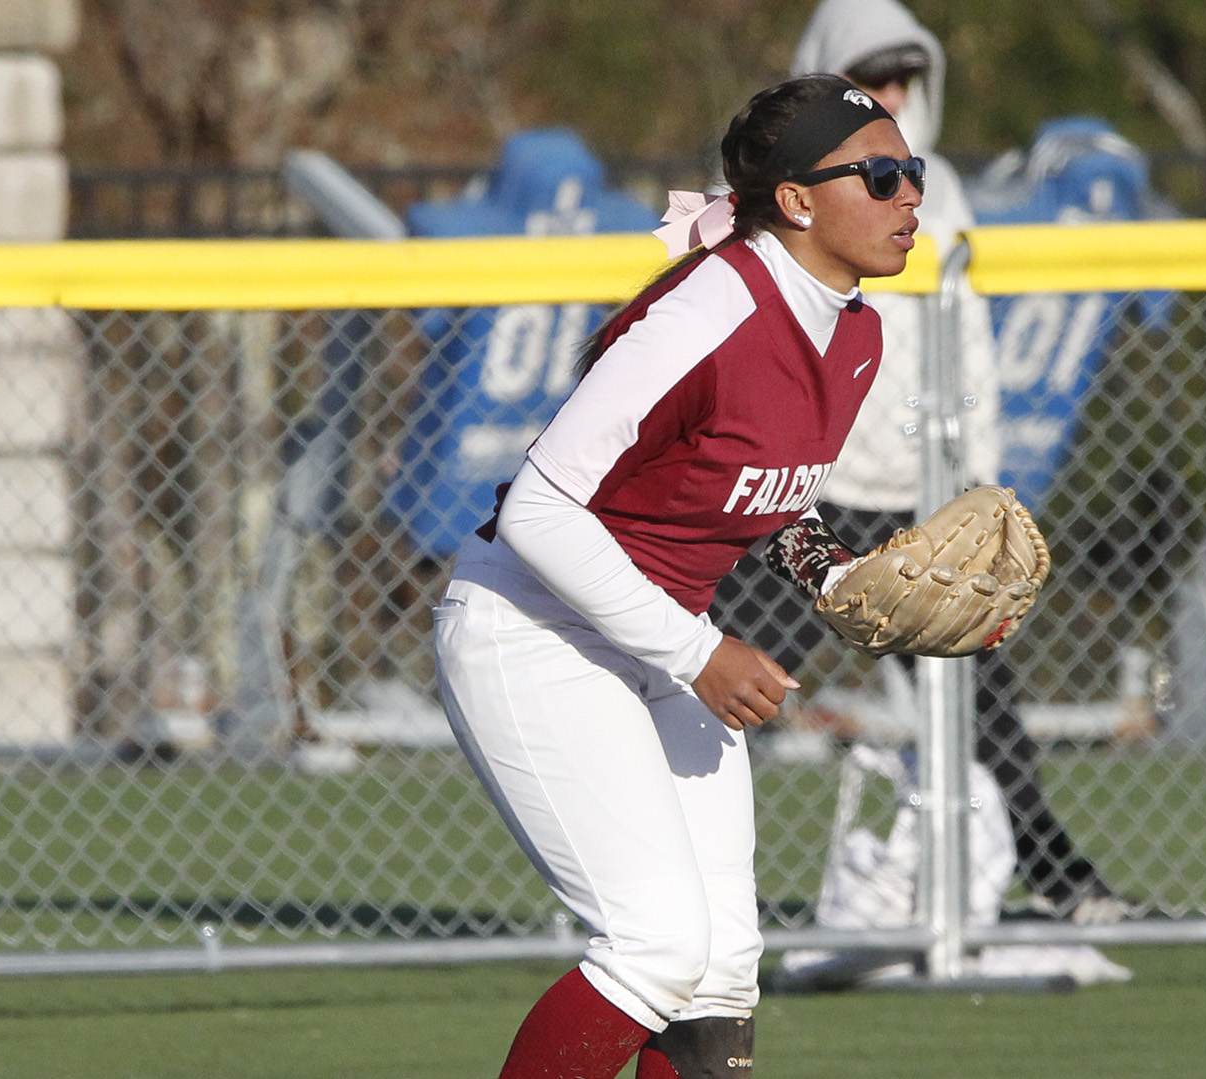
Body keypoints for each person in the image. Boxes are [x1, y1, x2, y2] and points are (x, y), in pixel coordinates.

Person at [433, 74, 922, 1079]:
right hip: (532, 625)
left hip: (655, 631)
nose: (910, 194)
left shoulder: (855, 329)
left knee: (721, 970)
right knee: (655, 943)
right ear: (795, 199)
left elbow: (765, 496)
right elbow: (537, 509)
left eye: (910, 171)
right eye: (881, 175)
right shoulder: (707, 311)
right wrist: (697, 649)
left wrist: (843, 579)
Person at [708, 0, 1132, 926]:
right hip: (805, 501)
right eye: (873, 76)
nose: (893, 95)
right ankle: (688, 878)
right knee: (732, 685)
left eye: (906, 79)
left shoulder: (932, 191)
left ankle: (1061, 875)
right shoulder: (778, 187)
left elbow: (968, 344)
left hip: (917, 497)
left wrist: (973, 475)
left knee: (983, 704)